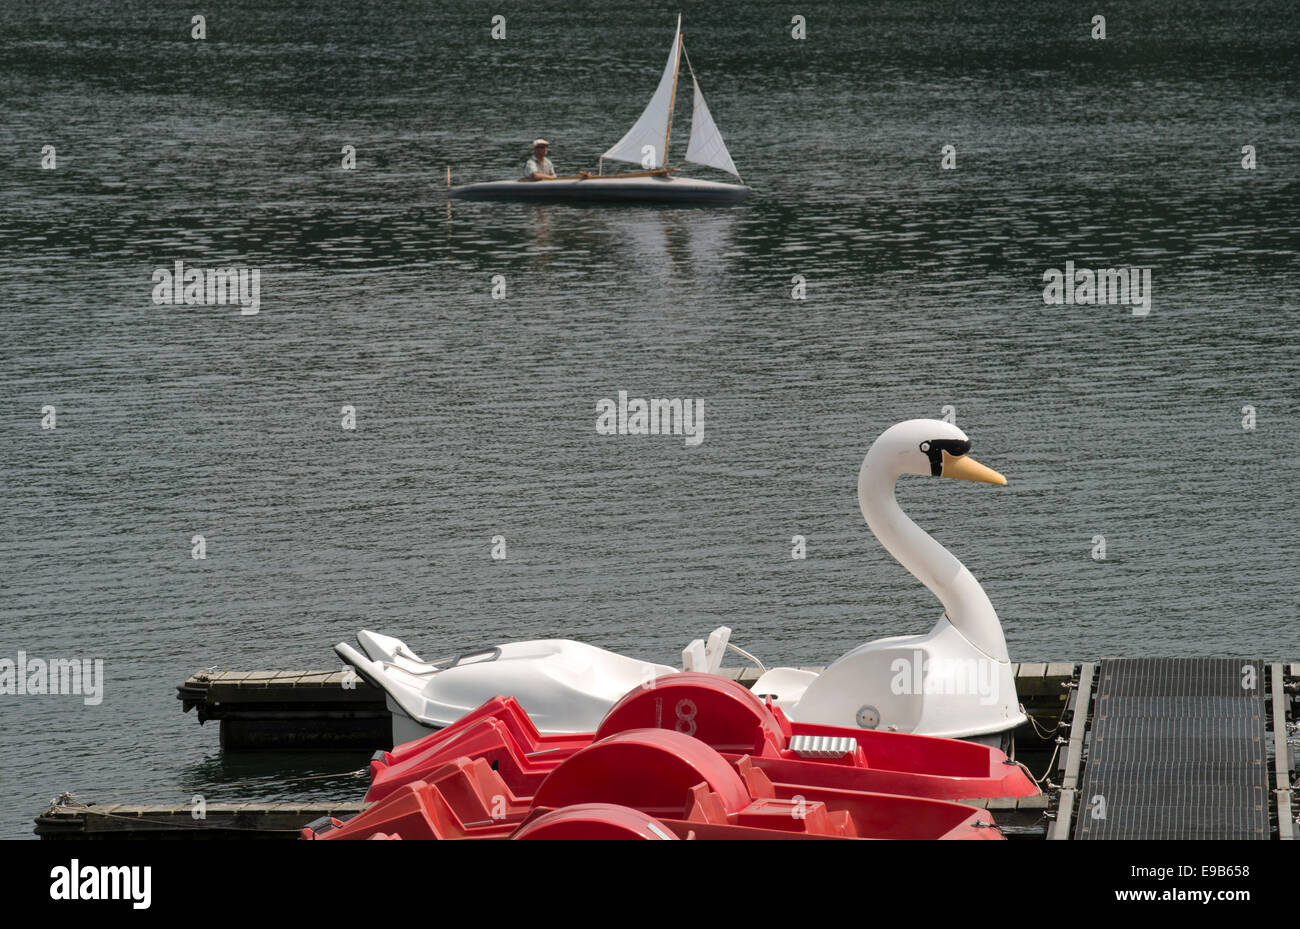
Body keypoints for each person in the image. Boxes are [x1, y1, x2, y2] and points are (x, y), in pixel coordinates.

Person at [522, 139, 590, 180]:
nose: (545, 149)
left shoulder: (548, 162)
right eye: (542, 147)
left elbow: (554, 176)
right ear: (535, 149)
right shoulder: (530, 162)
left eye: (546, 147)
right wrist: (552, 178)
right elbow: (536, 176)